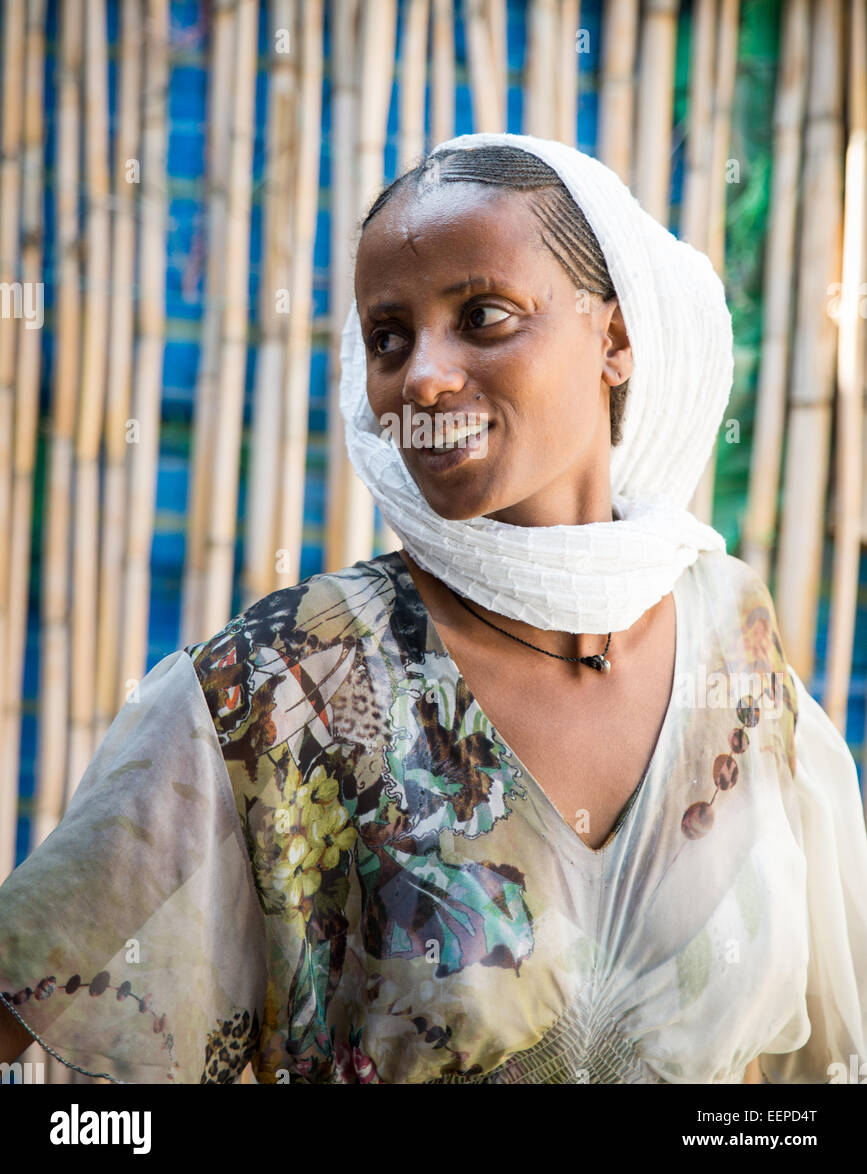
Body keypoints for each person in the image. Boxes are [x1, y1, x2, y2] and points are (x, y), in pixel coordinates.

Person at [1, 132, 865, 1085]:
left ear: (614, 339)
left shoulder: (731, 649)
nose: (420, 377)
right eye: (387, 336)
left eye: (484, 315)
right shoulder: (286, 687)